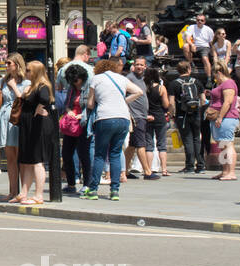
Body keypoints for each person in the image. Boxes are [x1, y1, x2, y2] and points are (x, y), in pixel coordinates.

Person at [83, 59, 144, 200]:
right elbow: (139, 92)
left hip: (104, 117)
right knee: (115, 153)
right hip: (123, 117)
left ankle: (93, 190)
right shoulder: (121, 78)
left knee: (100, 154)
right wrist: (123, 101)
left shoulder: (96, 79)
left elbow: (91, 104)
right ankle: (114, 190)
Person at [13, 60, 54, 204]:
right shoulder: (32, 86)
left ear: (36, 72)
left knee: (37, 161)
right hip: (29, 126)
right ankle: (23, 193)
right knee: (30, 161)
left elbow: (45, 98)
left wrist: (40, 107)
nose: (26, 72)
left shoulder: (42, 86)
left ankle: (38, 195)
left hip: (38, 127)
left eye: (29, 70)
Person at [0, 53, 29, 202]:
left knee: (21, 157)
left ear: (17, 64)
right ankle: (12, 191)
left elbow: (23, 100)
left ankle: (23, 192)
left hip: (18, 119)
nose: (6, 65)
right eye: (6, 63)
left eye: (9, 63)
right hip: (5, 118)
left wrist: (14, 87)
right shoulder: (2, 81)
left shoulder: (26, 82)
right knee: (10, 158)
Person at [206, 61, 240, 180]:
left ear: (219, 73)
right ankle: (225, 171)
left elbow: (228, 102)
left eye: (214, 76)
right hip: (220, 118)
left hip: (227, 117)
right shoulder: (222, 84)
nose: (214, 78)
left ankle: (231, 172)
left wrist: (220, 117)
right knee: (222, 145)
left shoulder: (228, 83)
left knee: (228, 143)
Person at [59, 64, 90, 193]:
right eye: (72, 81)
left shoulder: (88, 87)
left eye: (76, 81)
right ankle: (71, 184)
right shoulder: (72, 88)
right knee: (66, 154)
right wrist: (69, 111)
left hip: (83, 124)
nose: (75, 84)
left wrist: (81, 115)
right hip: (71, 125)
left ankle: (87, 184)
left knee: (84, 155)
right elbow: (67, 104)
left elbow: (92, 106)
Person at [121, 56, 154, 179]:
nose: (139, 67)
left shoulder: (143, 79)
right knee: (141, 143)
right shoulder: (129, 78)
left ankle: (124, 171)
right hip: (135, 116)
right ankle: (147, 172)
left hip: (142, 115)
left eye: (142, 65)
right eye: (137, 64)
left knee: (132, 145)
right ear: (133, 65)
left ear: (145, 66)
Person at [170, 60, 205, 173]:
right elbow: (203, 100)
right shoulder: (197, 82)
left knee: (187, 139)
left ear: (178, 70)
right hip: (196, 114)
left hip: (182, 115)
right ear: (189, 69)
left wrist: (172, 114)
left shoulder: (174, 83)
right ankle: (200, 165)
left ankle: (189, 166)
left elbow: (171, 102)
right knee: (197, 139)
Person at [144, 65, 172, 177]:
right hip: (160, 116)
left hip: (147, 116)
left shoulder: (144, 87)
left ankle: (148, 169)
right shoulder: (161, 88)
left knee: (149, 145)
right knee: (162, 144)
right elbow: (166, 104)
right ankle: (164, 169)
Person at [184, 13, 214, 80]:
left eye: (201, 20)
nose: (199, 21)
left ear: (204, 21)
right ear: (196, 21)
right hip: (195, 46)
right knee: (186, 46)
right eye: (198, 20)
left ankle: (209, 78)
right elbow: (187, 38)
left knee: (205, 59)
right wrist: (192, 44)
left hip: (204, 47)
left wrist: (214, 52)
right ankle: (191, 63)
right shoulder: (191, 27)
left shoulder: (209, 30)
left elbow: (211, 42)